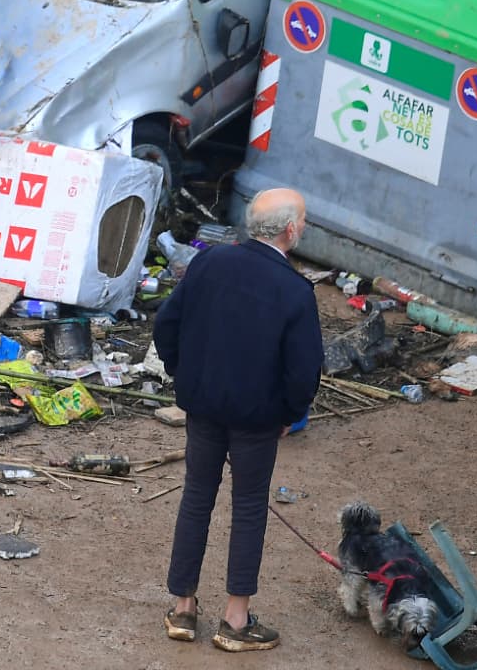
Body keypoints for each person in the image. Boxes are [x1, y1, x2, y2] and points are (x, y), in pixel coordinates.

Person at [151, 187, 323, 652]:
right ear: (290, 230)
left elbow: (166, 325)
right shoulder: (295, 291)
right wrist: (290, 414)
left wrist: (182, 373)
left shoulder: (208, 263)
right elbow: (303, 370)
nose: (302, 226)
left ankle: (183, 608)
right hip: (257, 419)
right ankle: (235, 620)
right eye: (303, 220)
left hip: (202, 406)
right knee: (248, 508)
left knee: (196, 497)